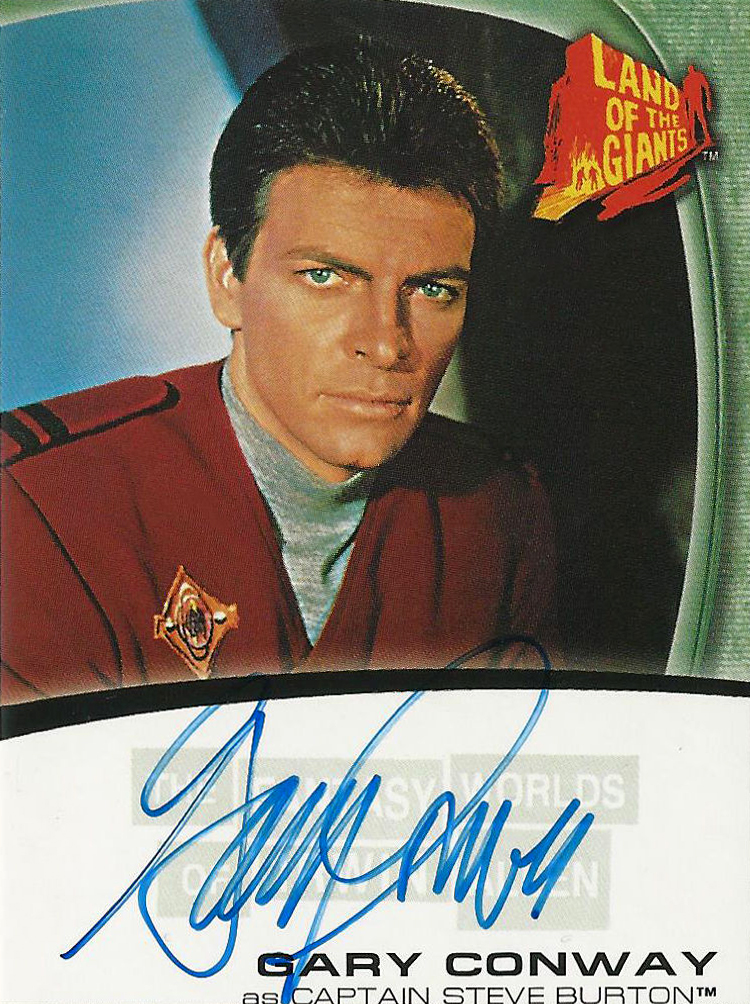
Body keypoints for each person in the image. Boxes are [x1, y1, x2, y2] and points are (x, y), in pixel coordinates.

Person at [0, 39, 557, 704]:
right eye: (325, 277)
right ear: (227, 278)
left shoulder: (499, 510)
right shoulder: (39, 506)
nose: (386, 344)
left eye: (432, 289)